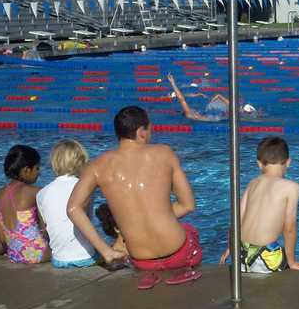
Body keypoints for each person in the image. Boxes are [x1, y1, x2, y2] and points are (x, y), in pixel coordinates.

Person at [67, 106, 201, 289]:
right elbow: (188, 205)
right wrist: (159, 216)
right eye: (150, 129)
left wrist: (106, 251)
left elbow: (73, 208)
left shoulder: (97, 166)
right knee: (190, 230)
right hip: (179, 253)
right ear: (141, 132)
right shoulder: (165, 153)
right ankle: (184, 270)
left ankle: (151, 275)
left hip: (142, 260)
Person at [217, 136, 299, 274]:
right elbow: (289, 228)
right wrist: (292, 262)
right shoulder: (291, 187)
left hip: (240, 255)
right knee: (283, 256)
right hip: (265, 258)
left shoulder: (252, 183)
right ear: (288, 162)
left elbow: (236, 220)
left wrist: (230, 248)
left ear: (259, 163)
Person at [37, 140, 99, 268]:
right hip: (86, 257)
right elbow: (87, 219)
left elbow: (45, 229)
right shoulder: (85, 187)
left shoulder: (41, 193)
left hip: (59, 260)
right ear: (81, 163)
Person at [0, 145, 50, 264]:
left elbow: (1, 237)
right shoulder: (35, 192)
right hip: (38, 254)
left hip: (13, 254)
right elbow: (46, 228)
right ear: (26, 170)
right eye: (37, 168)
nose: (39, 173)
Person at [166, 72, 258, 122]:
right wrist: (173, 83)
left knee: (232, 111)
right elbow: (181, 99)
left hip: (216, 118)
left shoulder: (198, 115)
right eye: (192, 110)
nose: (194, 109)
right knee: (234, 112)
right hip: (216, 119)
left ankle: (244, 112)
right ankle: (245, 112)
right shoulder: (189, 114)